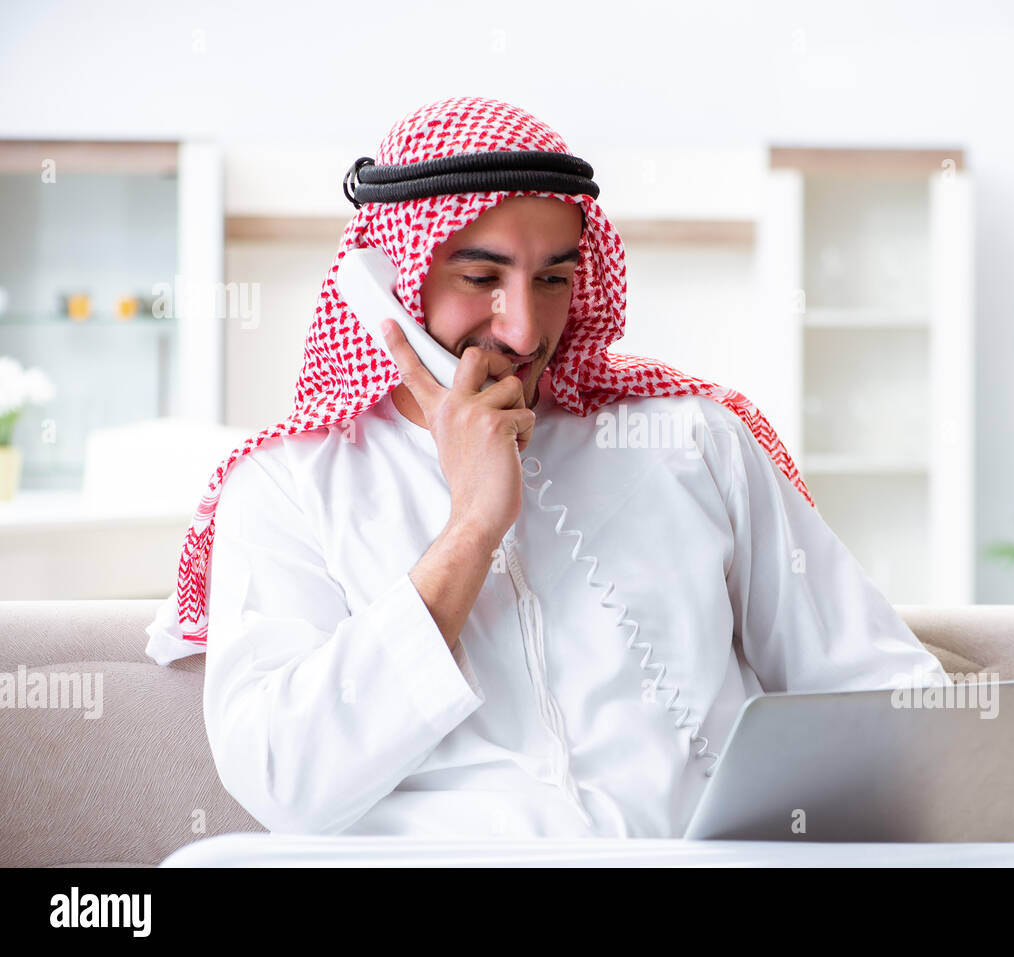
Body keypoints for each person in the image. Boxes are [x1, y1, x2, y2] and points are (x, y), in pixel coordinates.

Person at [144, 96, 951, 839]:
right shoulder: (287, 488)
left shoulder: (694, 443)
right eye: (481, 277)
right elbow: (285, 778)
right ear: (390, 282)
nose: (526, 331)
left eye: (555, 278)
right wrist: (470, 529)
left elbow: (883, 688)